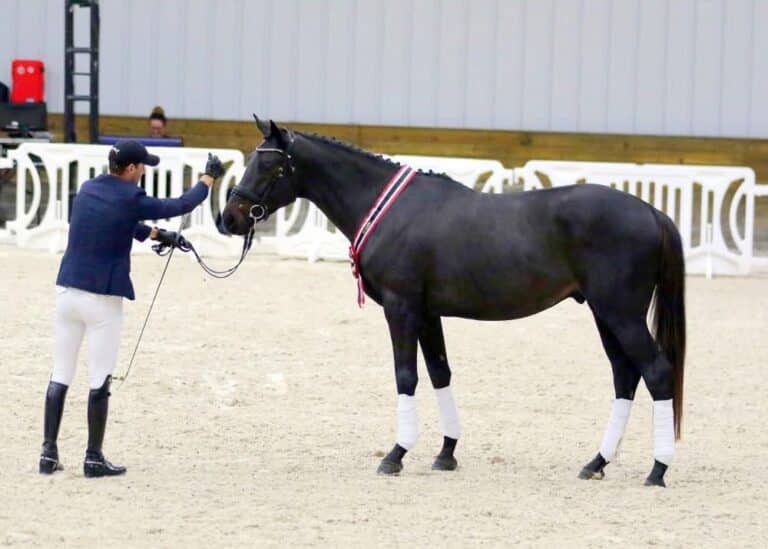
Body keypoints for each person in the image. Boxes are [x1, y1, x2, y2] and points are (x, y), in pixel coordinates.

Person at [39, 140, 225, 478]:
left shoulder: (88, 190)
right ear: (130, 169)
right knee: (99, 379)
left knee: (60, 374)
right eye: (142, 167)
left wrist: (157, 234)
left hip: (67, 293)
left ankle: (48, 453)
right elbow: (181, 204)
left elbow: (114, 221)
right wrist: (208, 179)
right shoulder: (131, 197)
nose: (143, 172)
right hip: (102, 299)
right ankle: (93, 457)